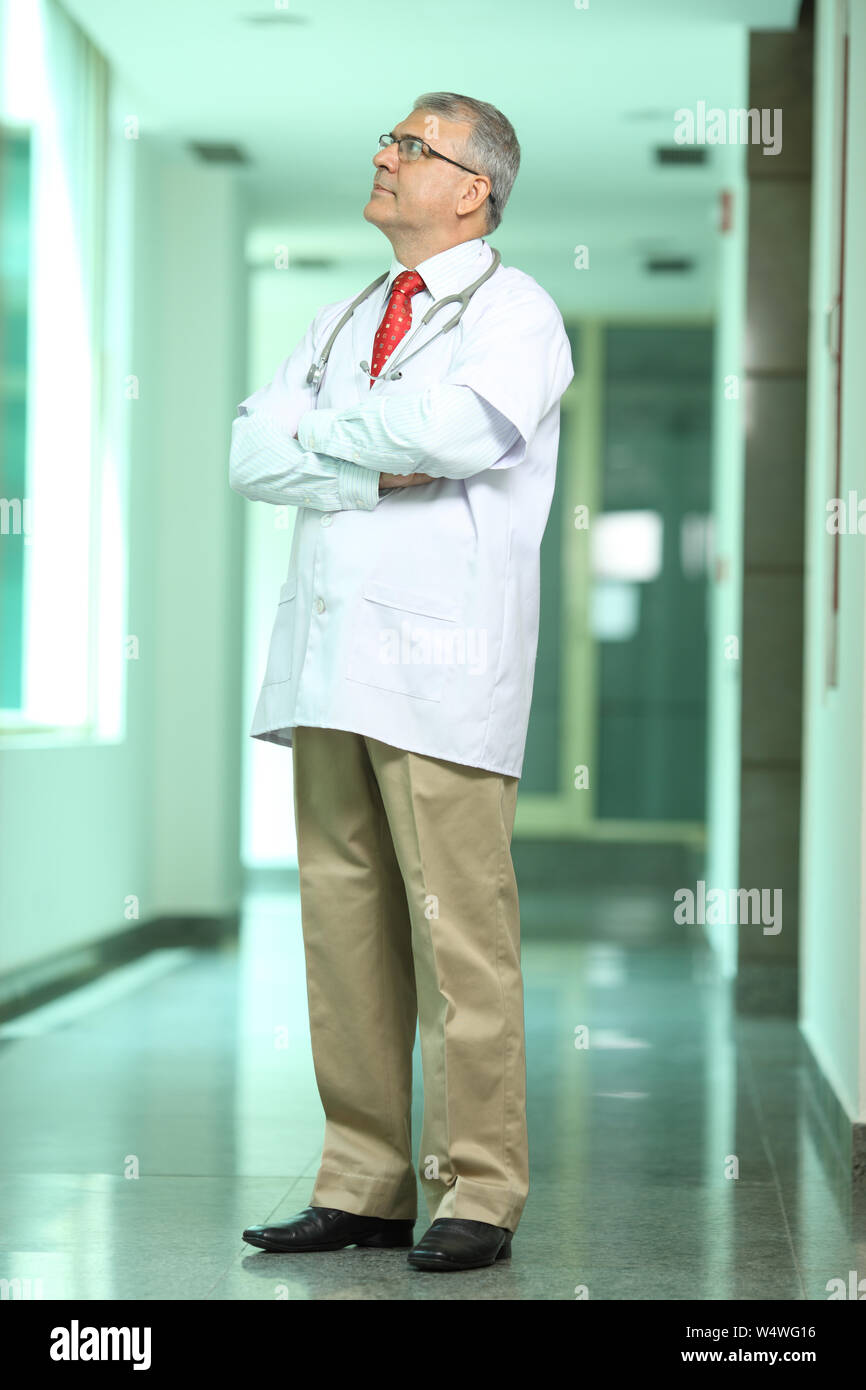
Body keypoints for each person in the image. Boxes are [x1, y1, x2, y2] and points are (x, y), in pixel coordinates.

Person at [230, 91, 573, 1273]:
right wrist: (377, 463)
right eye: (387, 141)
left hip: (440, 668)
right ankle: (363, 1181)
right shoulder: (341, 317)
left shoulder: (514, 311)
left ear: (474, 186)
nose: (383, 155)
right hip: (331, 662)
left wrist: (327, 438)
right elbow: (248, 452)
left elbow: (466, 431)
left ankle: (476, 1185)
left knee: (457, 938)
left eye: (411, 147)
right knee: (341, 928)